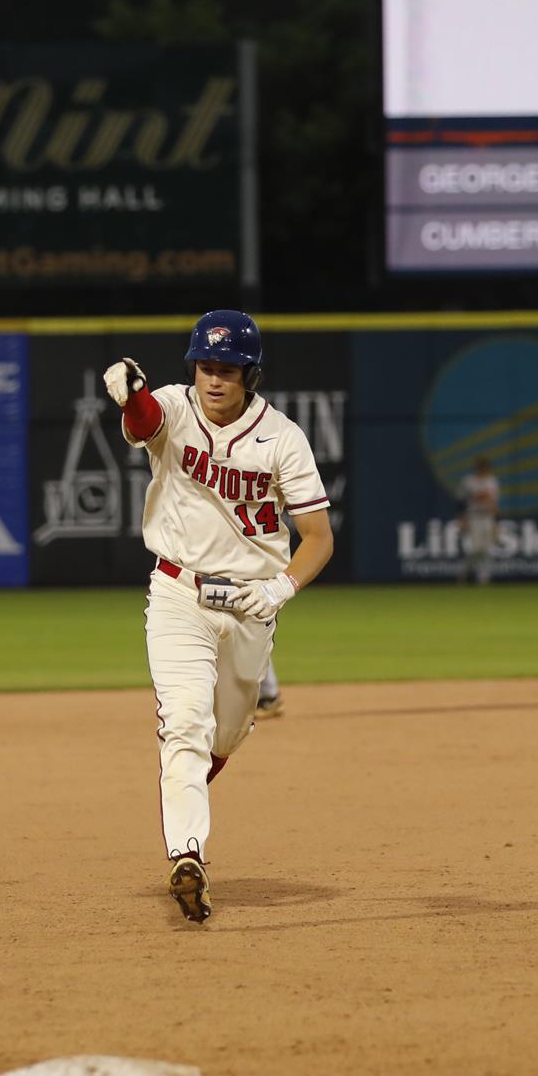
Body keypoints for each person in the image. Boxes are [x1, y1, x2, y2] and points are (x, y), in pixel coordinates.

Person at [103, 309, 333, 923]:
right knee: (183, 723)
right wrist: (130, 391)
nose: (214, 379)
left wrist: (281, 589)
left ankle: (187, 803)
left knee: (225, 736)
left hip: (251, 605)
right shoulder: (173, 407)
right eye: (206, 366)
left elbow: (317, 536)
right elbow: (145, 419)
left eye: (227, 369)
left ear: (249, 375)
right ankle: (188, 855)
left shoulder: (282, 438)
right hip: (177, 592)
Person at [459, 454, 499, 586]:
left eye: (484, 466)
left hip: (487, 517)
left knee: (487, 549)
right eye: (480, 466)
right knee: (475, 548)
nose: (482, 469)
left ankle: (484, 579)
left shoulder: (492, 481)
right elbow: (461, 502)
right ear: (476, 467)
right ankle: (464, 573)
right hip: (473, 516)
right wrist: (462, 519)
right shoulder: (468, 481)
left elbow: (494, 503)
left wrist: (496, 523)